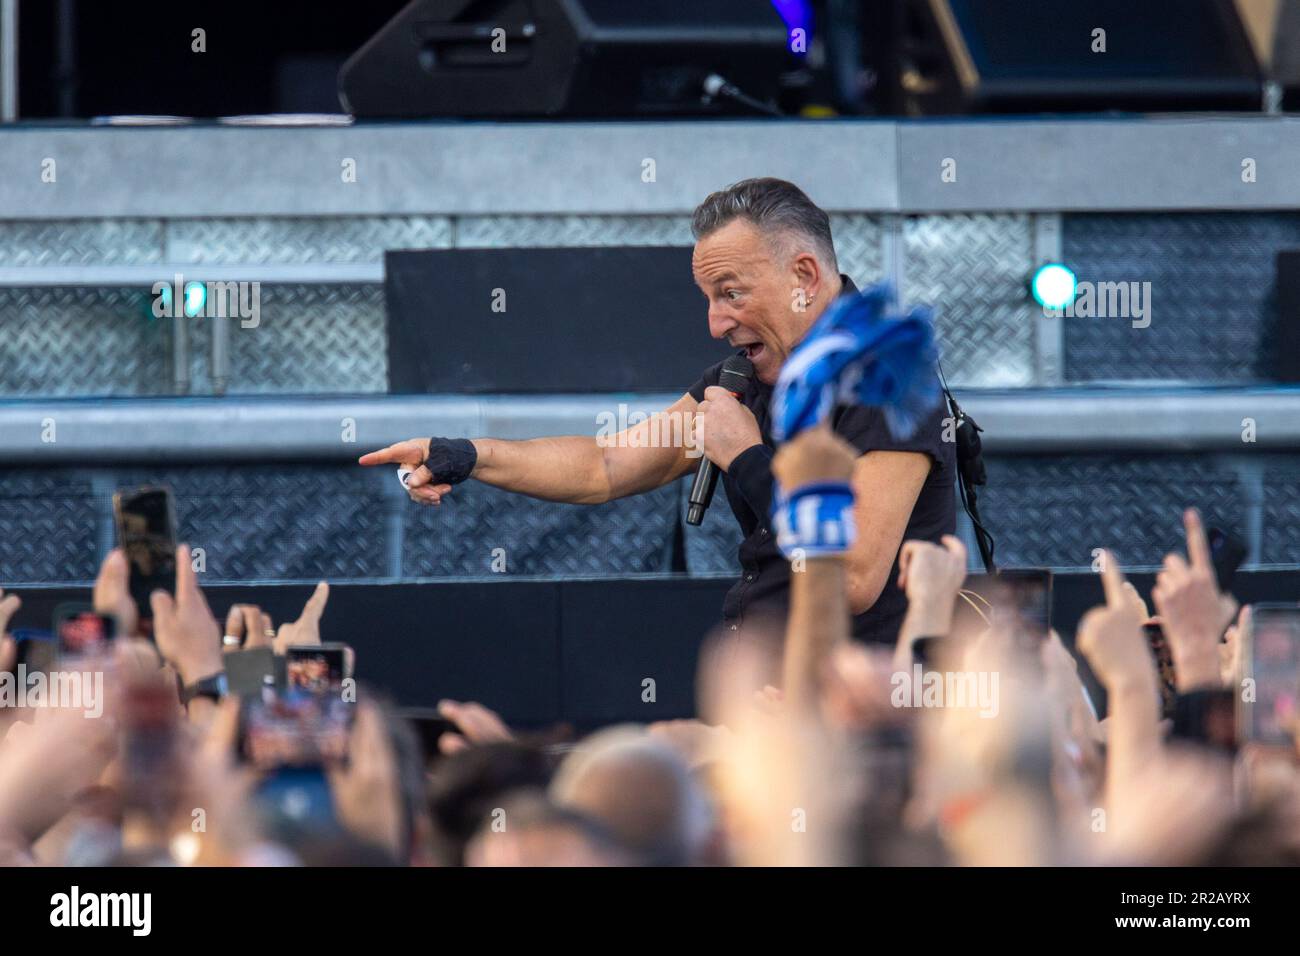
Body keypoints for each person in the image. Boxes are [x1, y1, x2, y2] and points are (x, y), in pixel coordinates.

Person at [361, 177, 955, 644]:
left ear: (803, 275)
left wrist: (746, 457)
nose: (716, 322)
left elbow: (850, 578)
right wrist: (467, 455)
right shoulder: (742, 381)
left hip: (856, 717)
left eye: (732, 292)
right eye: (709, 299)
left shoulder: (887, 381)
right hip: (766, 684)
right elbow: (605, 465)